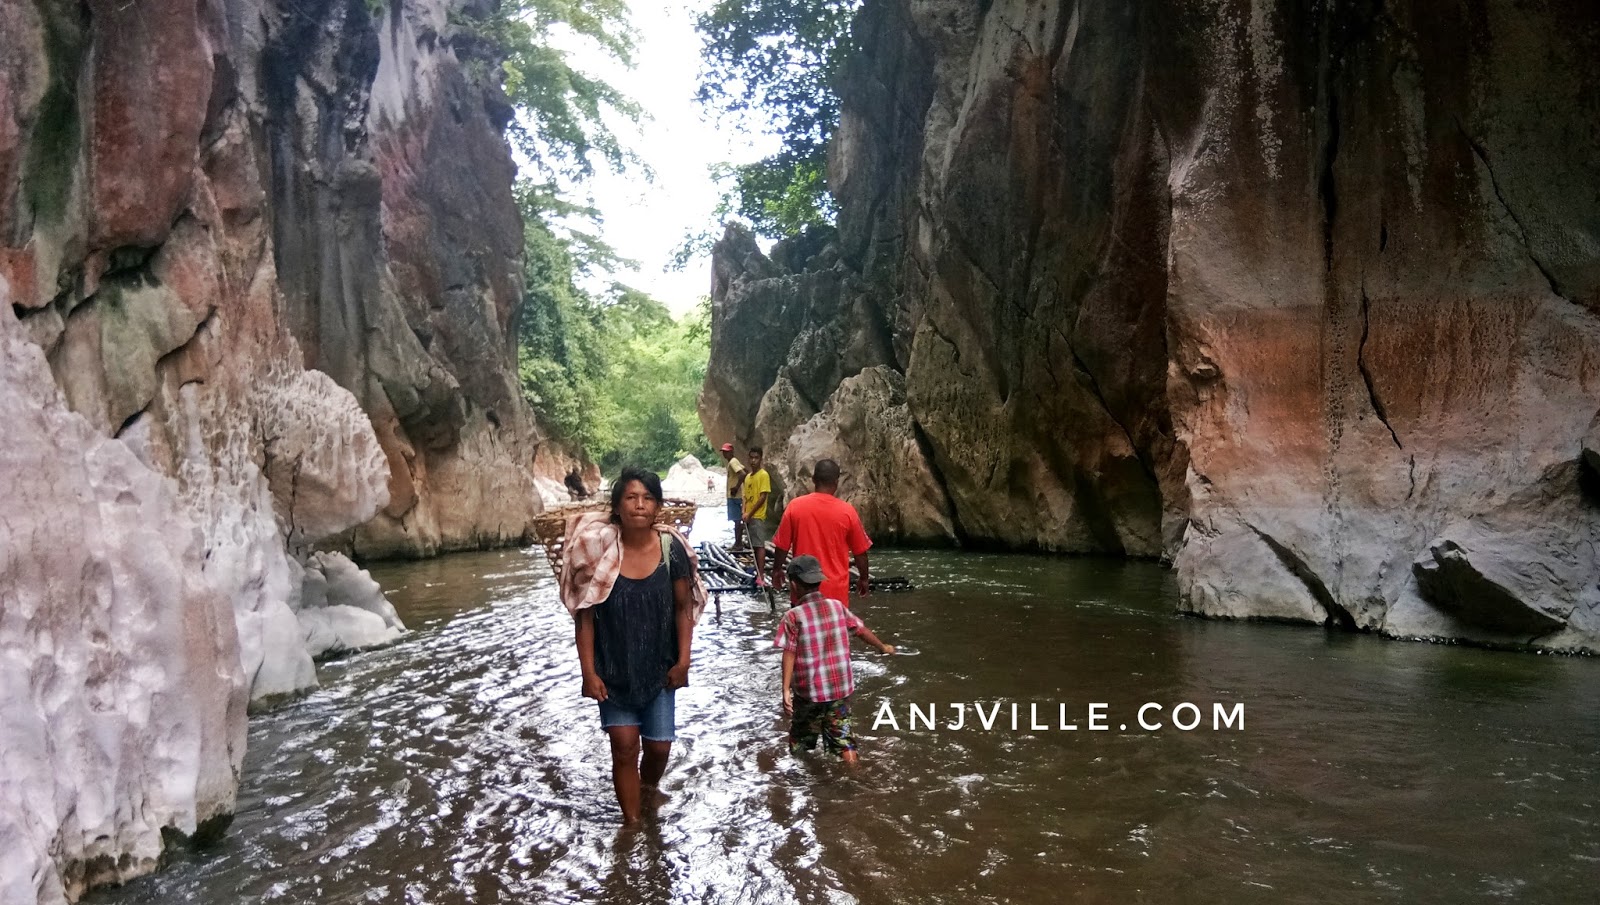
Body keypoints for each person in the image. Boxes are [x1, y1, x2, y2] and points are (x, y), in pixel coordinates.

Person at [560, 467, 708, 826]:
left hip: (660, 667)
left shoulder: (670, 549)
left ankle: (645, 790)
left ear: (657, 507)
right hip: (613, 671)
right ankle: (632, 825)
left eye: (647, 498)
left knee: (658, 748)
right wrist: (588, 673)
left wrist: (684, 661)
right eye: (630, 497)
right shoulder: (599, 554)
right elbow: (586, 617)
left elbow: (682, 606)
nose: (639, 505)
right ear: (617, 506)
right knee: (624, 748)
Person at [775, 555, 895, 763]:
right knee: (843, 739)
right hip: (840, 690)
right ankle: (853, 776)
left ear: (793, 585)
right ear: (819, 581)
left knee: (801, 742)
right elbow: (860, 630)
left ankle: (805, 778)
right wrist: (882, 646)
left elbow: (789, 652)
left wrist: (785, 689)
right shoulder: (837, 607)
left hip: (809, 694)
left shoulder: (793, 616)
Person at [768, 459, 872, 606]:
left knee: (803, 628)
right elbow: (860, 552)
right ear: (836, 482)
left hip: (803, 591)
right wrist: (864, 579)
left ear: (814, 479)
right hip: (836, 595)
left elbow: (782, 547)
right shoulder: (847, 512)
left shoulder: (795, 507)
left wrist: (777, 570)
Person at [741, 446, 773, 587]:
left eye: (756, 458)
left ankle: (761, 576)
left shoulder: (763, 475)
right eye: (751, 457)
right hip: (748, 516)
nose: (753, 461)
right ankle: (757, 573)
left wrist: (750, 513)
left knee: (759, 546)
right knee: (753, 546)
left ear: (760, 459)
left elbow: (762, 497)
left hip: (757, 516)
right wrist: (744, 512)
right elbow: (745, 497)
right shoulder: (748, 477)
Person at [718, 443, 748, 550]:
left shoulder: (733, 462)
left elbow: (743, 474)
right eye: (724, 452)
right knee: (737, 520)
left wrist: (736, 487)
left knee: (737, 520)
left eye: (727, 452)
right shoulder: (735, 461)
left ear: (731, 452)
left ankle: (738, 544)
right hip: (736, 496)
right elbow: (746, 471)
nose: (725, 454)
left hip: (735, 496)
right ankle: (738, 542)